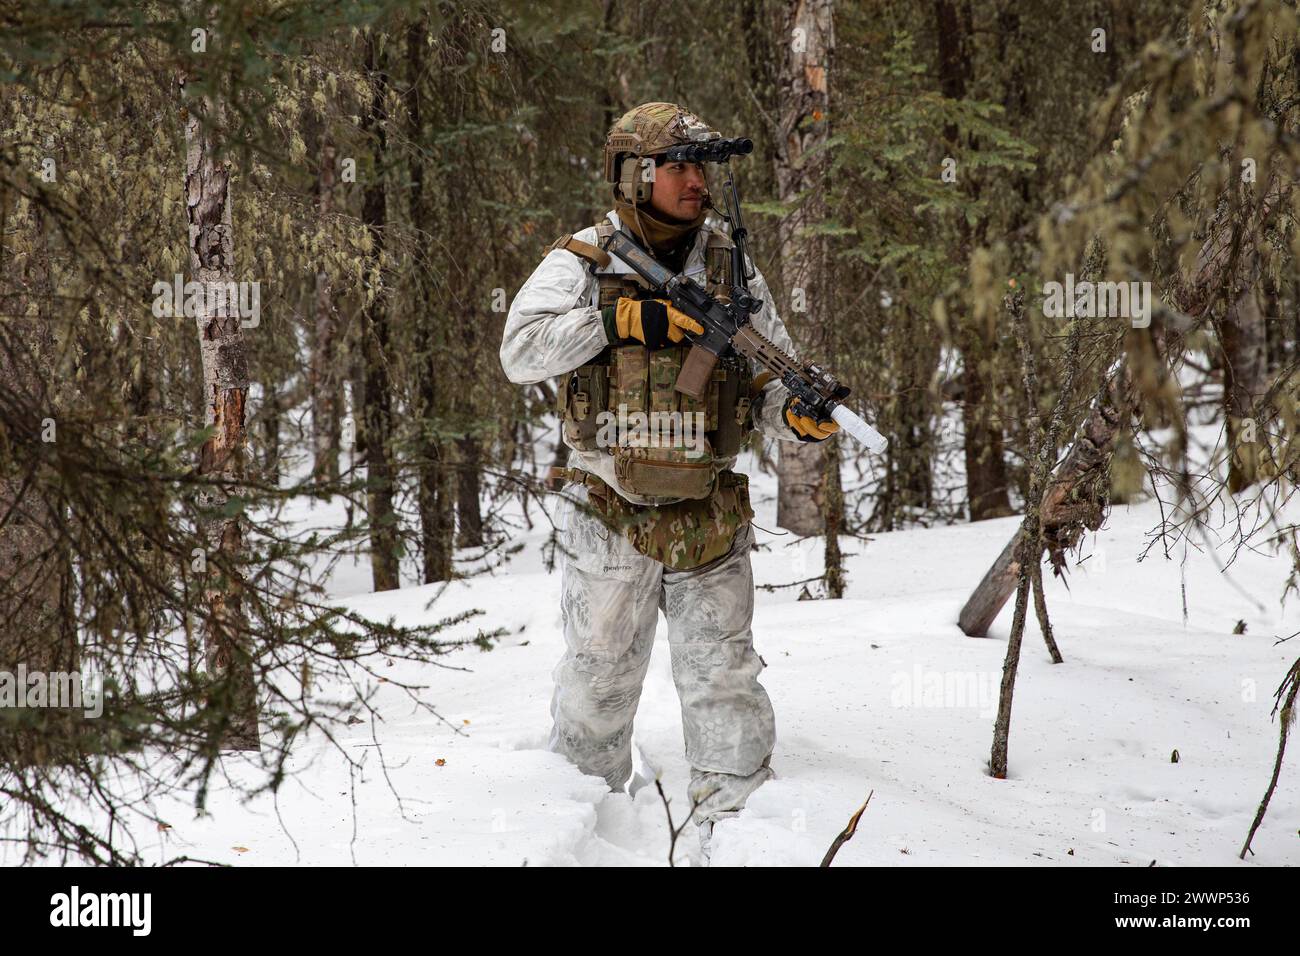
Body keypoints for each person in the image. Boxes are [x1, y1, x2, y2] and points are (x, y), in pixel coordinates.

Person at [499, 102, 837, 863]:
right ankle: (581, 828)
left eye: (702, 166)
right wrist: (620, 321)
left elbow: (767, 373)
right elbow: (519, 350)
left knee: (725, 682)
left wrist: (799, 419)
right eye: (679, 166)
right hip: (608, 510)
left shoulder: (729, 264)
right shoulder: (585, 259)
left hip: (708, 512)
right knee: (599, 683)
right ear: (636, 174)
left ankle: (740, 833)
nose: (696, 181)